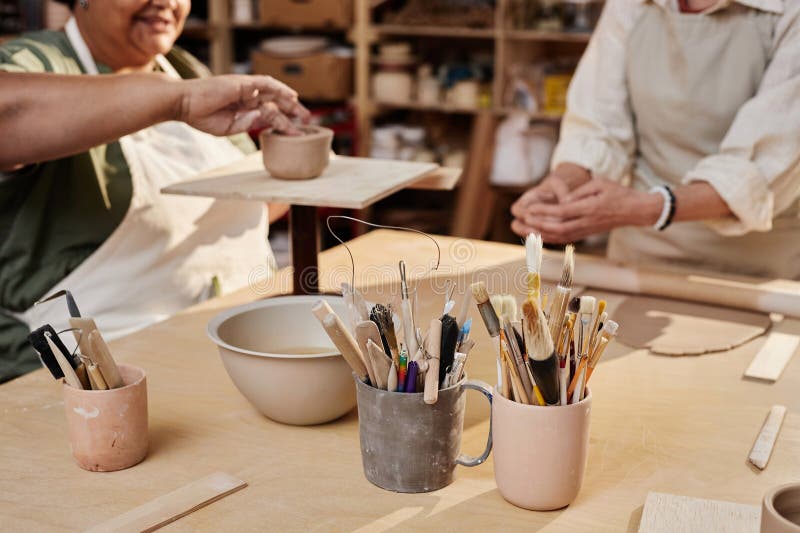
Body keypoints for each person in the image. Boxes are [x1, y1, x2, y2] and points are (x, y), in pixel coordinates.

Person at [0, 0, 310, 381]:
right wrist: (176, 100)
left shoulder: (182, 68)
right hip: (99, 377)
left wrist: (298, 165)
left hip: (234, 344)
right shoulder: (38, 61)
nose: (167, 2)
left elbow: (250, 200)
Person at [510, 0, 800, 279]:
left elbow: (763, 165)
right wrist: (565, 183)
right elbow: (599, 124)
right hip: (639, 257)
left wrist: (648, 207)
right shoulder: (630, 5)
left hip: (757, 267)